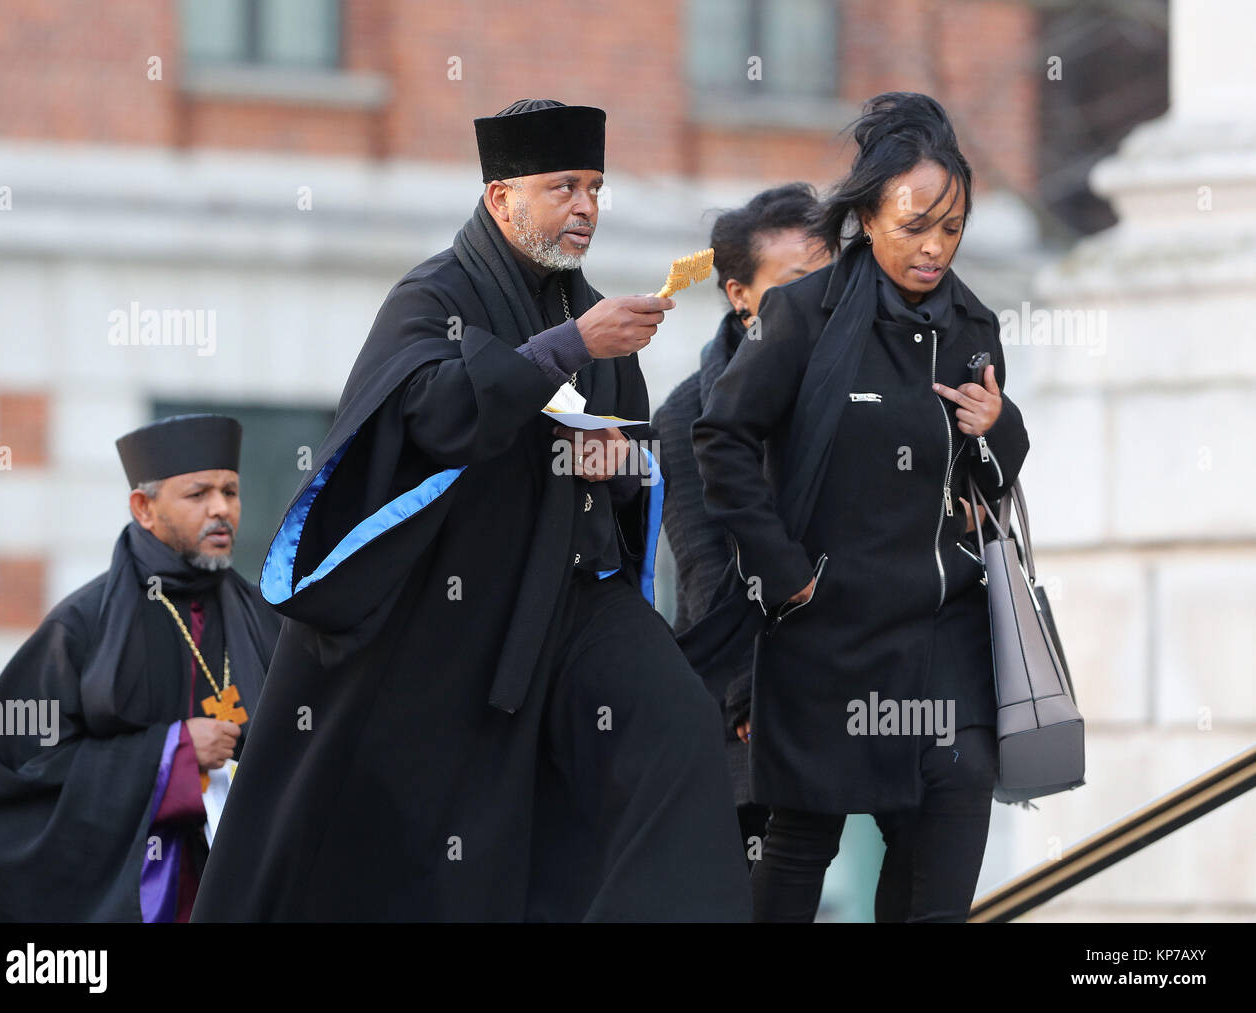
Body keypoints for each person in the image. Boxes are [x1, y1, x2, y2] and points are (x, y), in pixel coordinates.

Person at [191, 99, 751, 922]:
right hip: (435, 625)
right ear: (501, 198)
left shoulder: (588, 311)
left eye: (596, 187)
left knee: (676, 727)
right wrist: (569, 349)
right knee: (422, 865)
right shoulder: (430, 298)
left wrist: (621, 466)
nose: (587, 207)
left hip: (564, 607)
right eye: (565, 186)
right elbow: (429, 414)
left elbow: (624, 459)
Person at [691, 92, 1030, 922]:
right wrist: (787, 575)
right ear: (868, 215)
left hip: (944, 632)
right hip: (828, 633)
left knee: (943, 844)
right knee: (803, 844)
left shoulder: (974, 326)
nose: (934, 246)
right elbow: (721, 438)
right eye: (915, 224)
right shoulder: (800, 316)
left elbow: (988, 483)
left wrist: (1000, 428)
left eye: (952, 227)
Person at [0, 413, 281, 922]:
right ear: (144, 508)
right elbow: (9, 778)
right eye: (198, 494)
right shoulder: (81, 626)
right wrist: (172, 752)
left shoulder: (264, 620)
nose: (222, 509)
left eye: (230, 492)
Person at [653, 183, 829, 859]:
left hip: (880, 682)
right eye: (795, 282)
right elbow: (705, 573)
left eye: (829, 277)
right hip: (757, 698)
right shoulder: (689, 413)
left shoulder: (874, 377)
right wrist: (745, 700)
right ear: (740, 295)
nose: (821, 298)